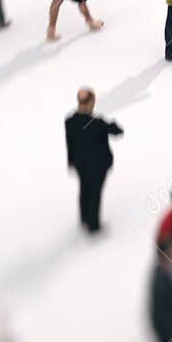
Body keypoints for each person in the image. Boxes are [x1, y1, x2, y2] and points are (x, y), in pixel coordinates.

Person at [64, 86, 122, 233]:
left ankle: (84, 217)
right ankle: (93, 225)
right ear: (90, 102)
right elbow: (118, 131)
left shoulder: (70, 121)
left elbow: (69, 143)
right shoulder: (97, 123)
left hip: (80, 165)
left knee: (84, 189)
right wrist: (113, 124)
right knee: (95, 194)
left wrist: (70, 161)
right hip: (98, 166)